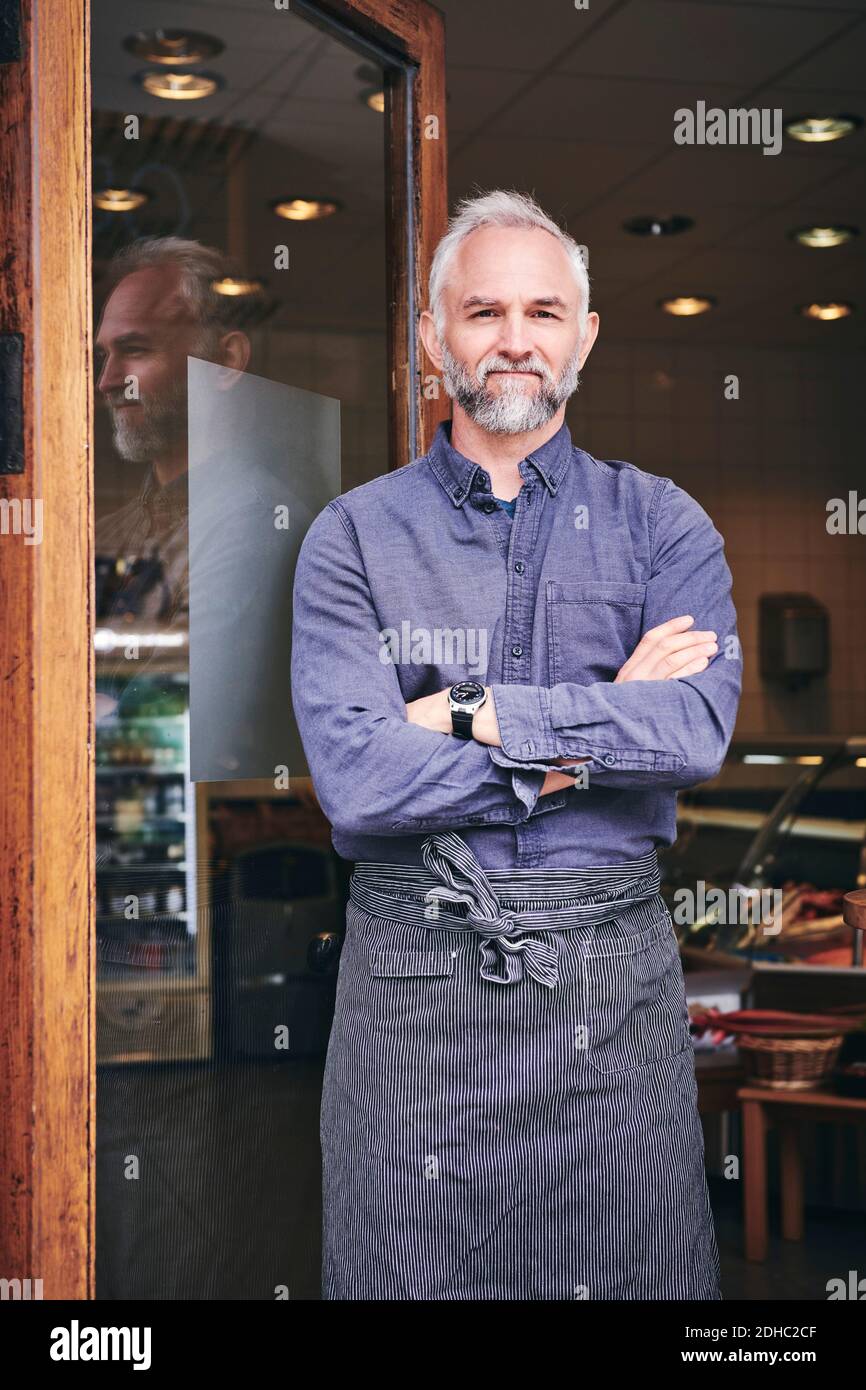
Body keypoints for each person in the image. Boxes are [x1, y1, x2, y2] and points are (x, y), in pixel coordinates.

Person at [290, 189, 742, 1301]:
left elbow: (689, 729)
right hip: (414, 993)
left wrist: (465, 709)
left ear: (582, 335)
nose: (514, 338)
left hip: (614, 993)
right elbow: (356, 781)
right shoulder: (352, 534)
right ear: (433, 335)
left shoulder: (663, 523)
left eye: (544, 310)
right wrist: (594, 736)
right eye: (483, 310)